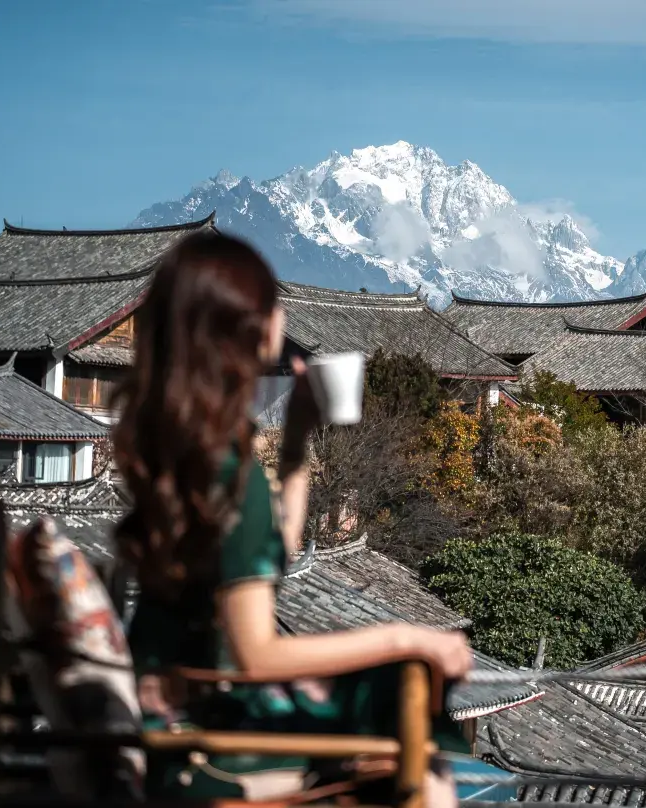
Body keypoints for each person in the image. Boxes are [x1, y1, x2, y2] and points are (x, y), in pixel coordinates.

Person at [111, 231, 472, 803]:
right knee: (404, 712)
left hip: (170, 721)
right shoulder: (231, 475)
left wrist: (299, 442)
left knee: (381, 702)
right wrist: (411, 637)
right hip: (206, 746)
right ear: (249, 329)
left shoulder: (186, 454)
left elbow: (267, 551)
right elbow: (258, 651)